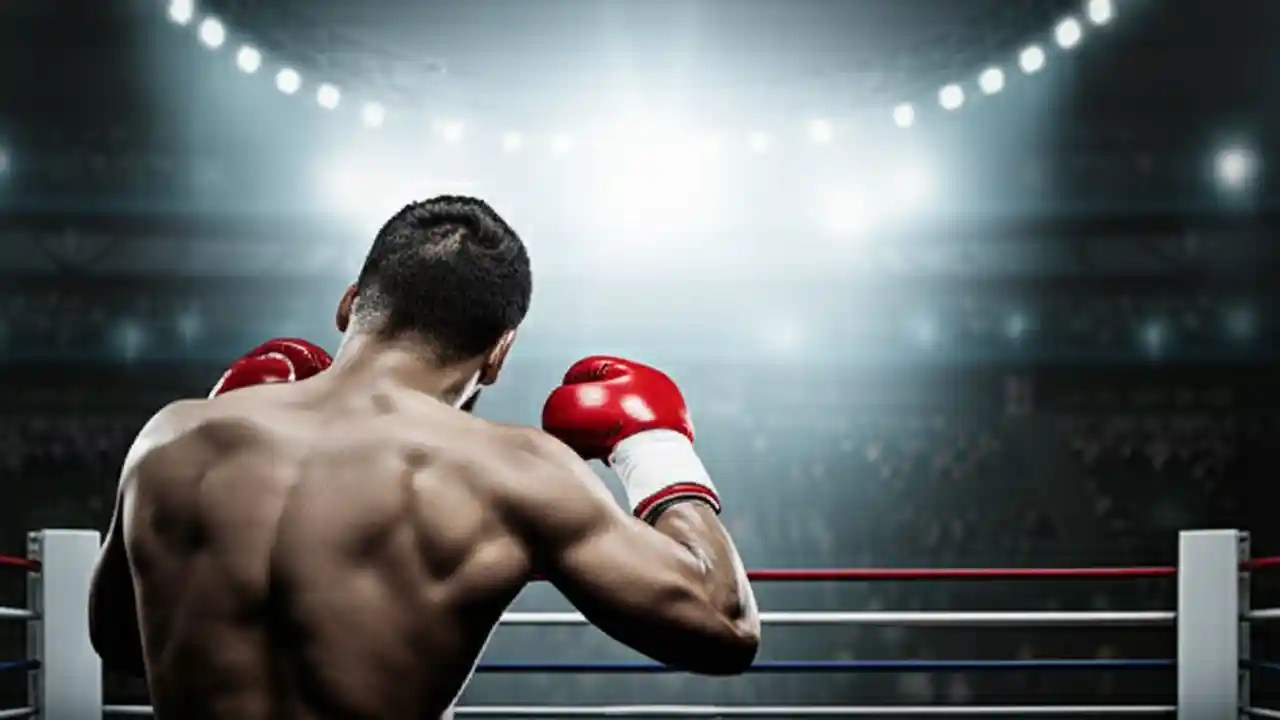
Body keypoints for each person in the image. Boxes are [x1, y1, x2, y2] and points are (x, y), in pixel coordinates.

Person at [88, 196, 760, 720]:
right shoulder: (512, 471)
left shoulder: (173, 435)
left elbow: (116, 639)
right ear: (498, 354)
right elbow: (724, 625)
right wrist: (654, 445)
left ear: (350, 303)